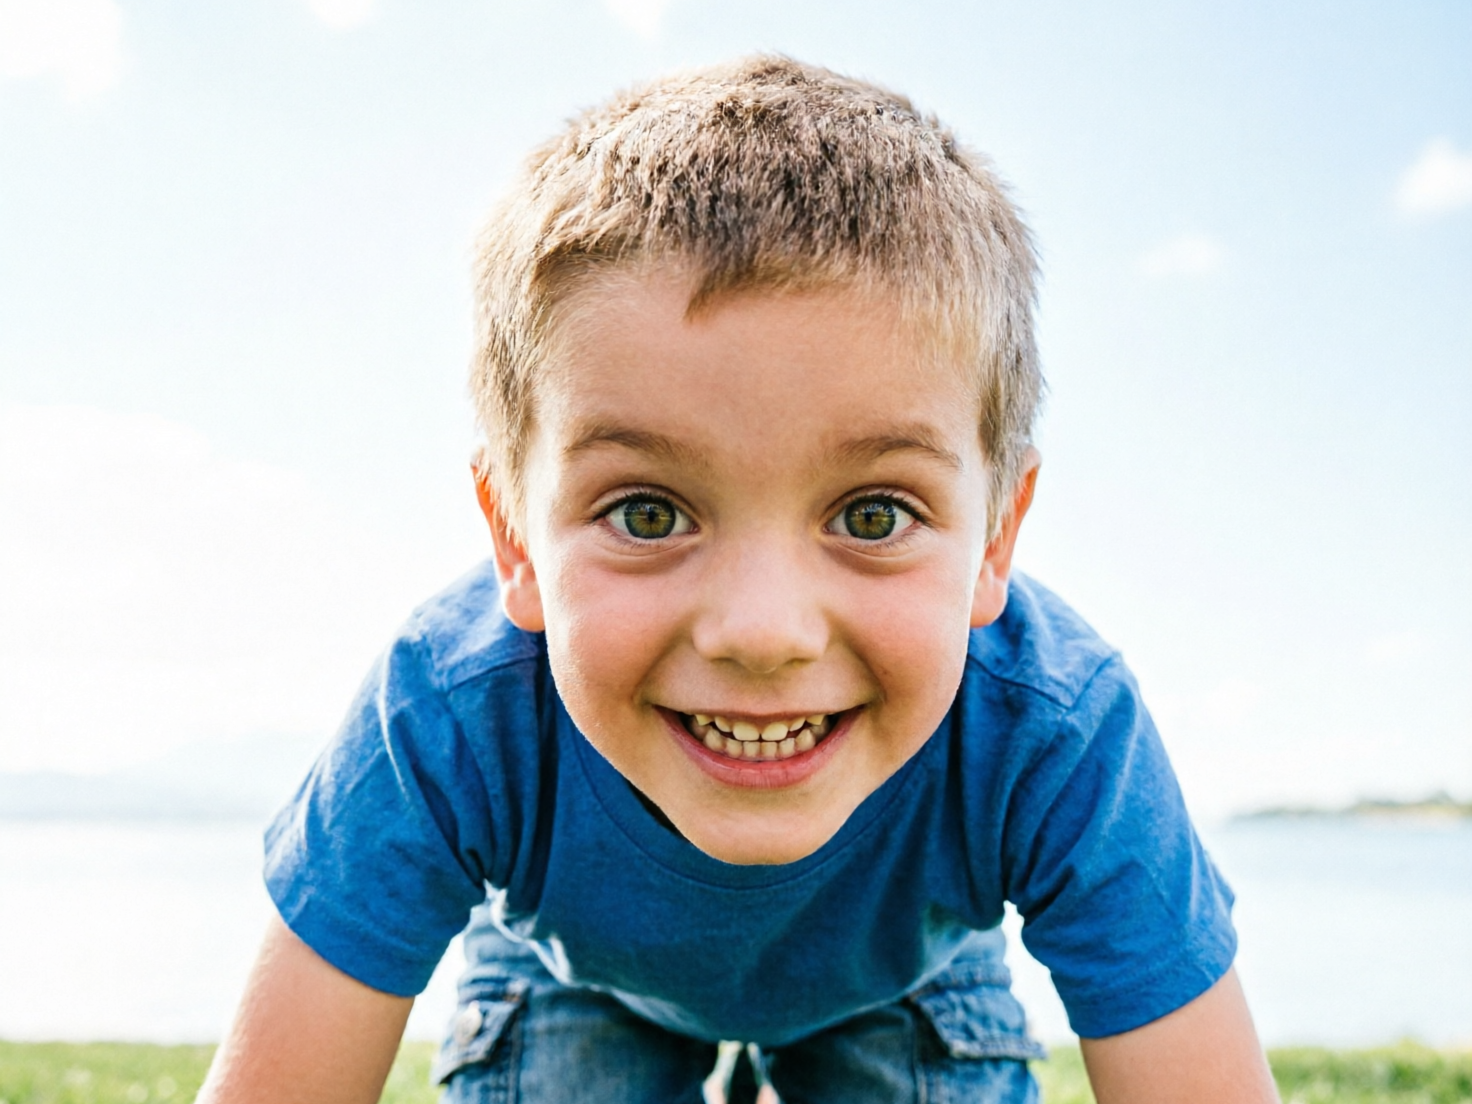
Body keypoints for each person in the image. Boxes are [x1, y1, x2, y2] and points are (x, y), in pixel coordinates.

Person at [199, 56, 1280, 1104]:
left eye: (871, 516)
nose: (762, 634)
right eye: (647, 514)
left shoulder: (1056, 727)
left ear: (995, 539)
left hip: (902, 974)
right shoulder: (447, 711)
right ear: (515, 542)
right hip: (573, 970)